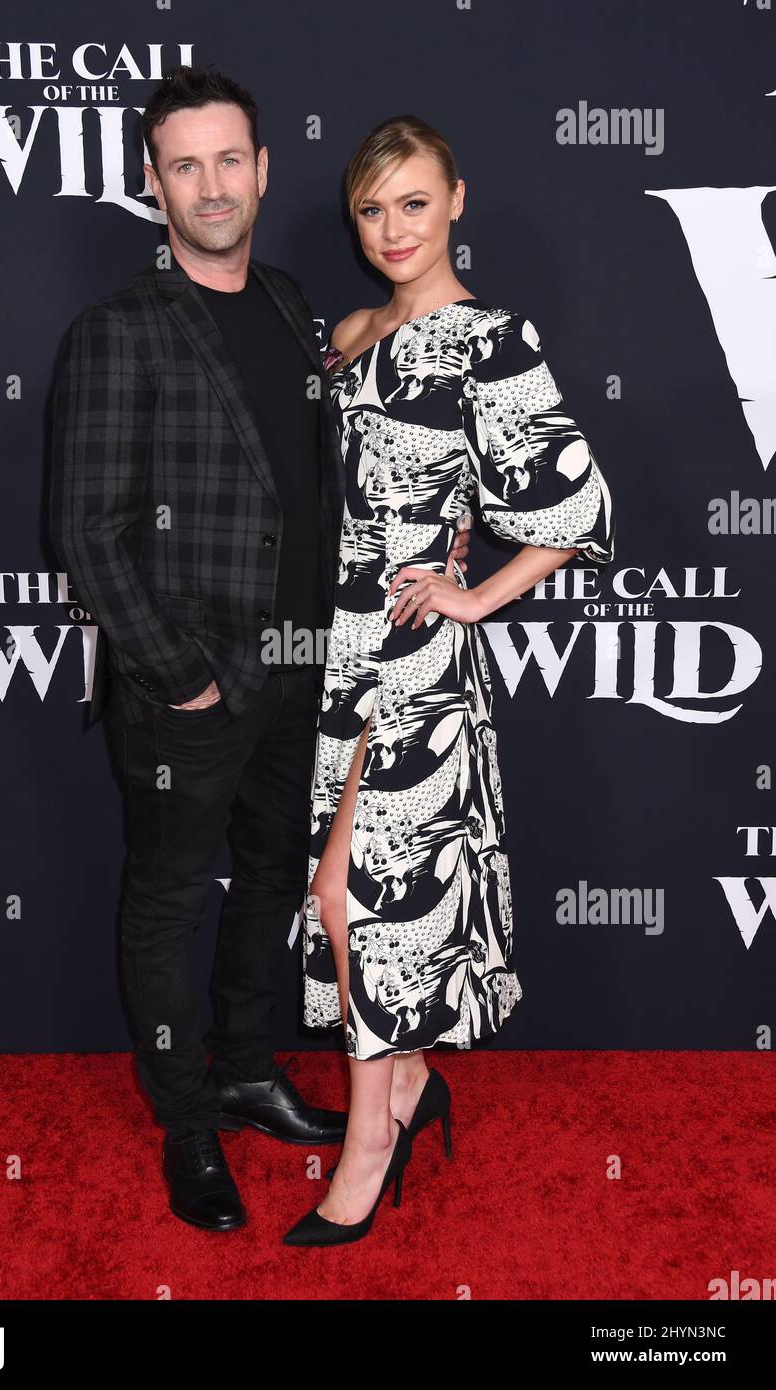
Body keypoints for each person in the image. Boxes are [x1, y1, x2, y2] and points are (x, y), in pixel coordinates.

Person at [48, 69, 471, 1234]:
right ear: (153, 183)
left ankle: (244, 1065)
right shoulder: (117, 330)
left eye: (229, 159)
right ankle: (187, 1121)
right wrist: (175, 671)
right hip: (188, 688)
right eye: (183, 165)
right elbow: (81, 529)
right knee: (171, 902)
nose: (211, 184)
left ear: (263, 169)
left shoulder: (291, 304)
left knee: (275, 887)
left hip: (309, 672)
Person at [284, 115, 615, 1246]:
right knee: (351, 892)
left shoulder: (492, 339)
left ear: (455, 202)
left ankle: (370, 1139)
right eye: (371, 208)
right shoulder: (349, 332)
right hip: (337, 645)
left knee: (354, 896)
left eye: (412, 203)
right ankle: (410, 1087)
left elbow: (572, 509)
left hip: (414, 651)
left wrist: (474, 591)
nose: (391, 228)